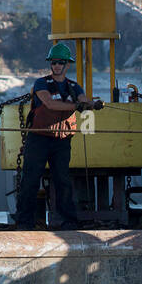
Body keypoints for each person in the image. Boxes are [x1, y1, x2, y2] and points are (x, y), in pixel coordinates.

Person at [15, 43, 102, 231]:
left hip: (61, 141)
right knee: (30, 179)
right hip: (39, 139)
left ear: (67, 65)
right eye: (53, 62)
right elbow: (49, 104)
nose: (56, 66)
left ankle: (68, 221)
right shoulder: (41, 83)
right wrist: (77, 107)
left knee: (62, 179)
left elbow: (83, 100)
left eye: (60, 63)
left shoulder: (74, 87)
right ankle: (24, 222)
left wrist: (93, 104)